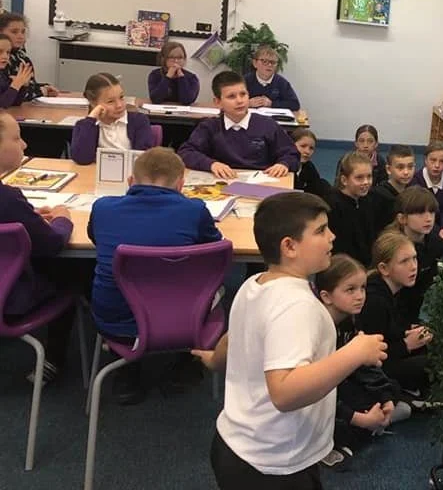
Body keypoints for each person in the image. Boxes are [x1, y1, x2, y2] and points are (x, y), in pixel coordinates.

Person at [192, 192, 388, 488]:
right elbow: (284, 393)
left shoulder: (254, 284)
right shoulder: (297, 306)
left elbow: (236, 339)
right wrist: (355, 353)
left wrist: (213, 360)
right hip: (274, 466)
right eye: (321, 230)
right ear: (290, 246)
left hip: (234, 445)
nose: (332, 236)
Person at [88, 147, 223, 404]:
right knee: (216, 287)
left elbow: (94, 239)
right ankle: (186, 361)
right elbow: (213, 248)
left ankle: (127, 368)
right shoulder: (194, 211)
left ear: (130, 182)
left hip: (114, 324)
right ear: (181, 185)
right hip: (185, 324)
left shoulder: (103, 208)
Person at [0, 113, 90, 384]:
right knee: (72, 268)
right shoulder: (9, 199)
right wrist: (63, 218)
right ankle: (55, 358)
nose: (25, 145)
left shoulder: (10, 200)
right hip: (13, 299)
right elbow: (51, 243)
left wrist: (30, 216)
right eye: (17, 138)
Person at [315, 254, 411, 453]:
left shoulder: (351, 318)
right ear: (326, 296)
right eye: (350, 289)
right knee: (343, 424)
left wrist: (385, 397)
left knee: (392, 391)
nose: (360, 296)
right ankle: (347, 436)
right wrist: (359, 419)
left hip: (341, 384)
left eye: (362, 288)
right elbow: (320, 390)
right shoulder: (318, 332)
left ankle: (371, 422)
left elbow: (364, 366)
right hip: (318, 396)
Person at [178, 70, 299, 180]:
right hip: (222, 182)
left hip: (260, 183)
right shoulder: (209, 127)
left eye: (243, 94)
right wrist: (211, 164)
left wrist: (283, 164)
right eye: (231, 96)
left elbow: (291, 154)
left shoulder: (267, 125)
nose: (240, 101)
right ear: (218, 102)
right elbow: (186, 152)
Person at [357, 230, 433, 399]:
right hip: (371, 368)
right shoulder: (374, 301)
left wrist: (407, 330)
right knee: (430, 364)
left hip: (388, 353)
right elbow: (370, 357)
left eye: (414, 258)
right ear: (384, 269)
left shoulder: (394, 288)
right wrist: (407, 344)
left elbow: (390, 328)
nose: (413, 266)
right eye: (404, 261)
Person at [387, 187, 443, 328]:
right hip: (390, 306)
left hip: (415, 300)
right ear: (402, 218)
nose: (428, 218)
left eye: (431, 212)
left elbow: (427, 277)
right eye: (420, 213)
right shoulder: (390, 246)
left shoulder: (435, 240)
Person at [71, 73, 157, 165]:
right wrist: (91, 119)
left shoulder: (139, 121)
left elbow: (142, 159)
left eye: (121, 97)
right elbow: (82, 159)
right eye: (110, 101)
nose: (119, 105)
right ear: (93, 103)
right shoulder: (85, 125)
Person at [327, 152, 374, 266]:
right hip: (343, 267)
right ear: (344, 180)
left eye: (369, 176)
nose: (366, 182)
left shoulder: (367, 199)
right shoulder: (333, 206)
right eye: (359, 178)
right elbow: (339, 247)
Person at [0, 13, 59, 100]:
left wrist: (45, 87)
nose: (20, 36)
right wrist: (41, 91)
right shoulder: (3, 61)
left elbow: (28, 84)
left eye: (23, 32)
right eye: (14, 32)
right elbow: (10, 93)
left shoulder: (23, 58)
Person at [368, 144, 416, 235]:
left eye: (410, 167)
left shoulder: (413, 193)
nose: (406, 172)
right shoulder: (377, 196)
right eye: (400, 167)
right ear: (388, 169)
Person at [244, 44, 300, 112]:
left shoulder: (281, 82)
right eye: (264, 61)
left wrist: (272, 104)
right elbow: (231, 101)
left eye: (273, 62)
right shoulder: (245, 80)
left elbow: (295, 104)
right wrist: (247, 103)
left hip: (274, 120)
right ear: (255, 63)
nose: (269, 65)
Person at [147, 41, 200, 105]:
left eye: (180, 58)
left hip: (183, 113)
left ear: (184, 59)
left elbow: (187, 101)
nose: (176, 61)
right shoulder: (155, 75)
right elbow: (156, 99)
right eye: (171, 57)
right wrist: (168, 77)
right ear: (164, 59)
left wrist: (181, 77)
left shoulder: (192, 78)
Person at [291, 128, 332, 201]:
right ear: (291, 145)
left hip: (301, 200)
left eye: (311, 148)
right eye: (303, 146)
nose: (307, 151)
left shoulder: (309, 166)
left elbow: (316, 184)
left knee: (323, 184)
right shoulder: (285, 166)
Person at [0, 33, 35, 108]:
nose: (5, 56)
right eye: (0, 52)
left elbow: (15, 103)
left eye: (8, 52)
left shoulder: (3, 74)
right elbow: (2, 105)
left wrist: (23, 85)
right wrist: (15, 85)